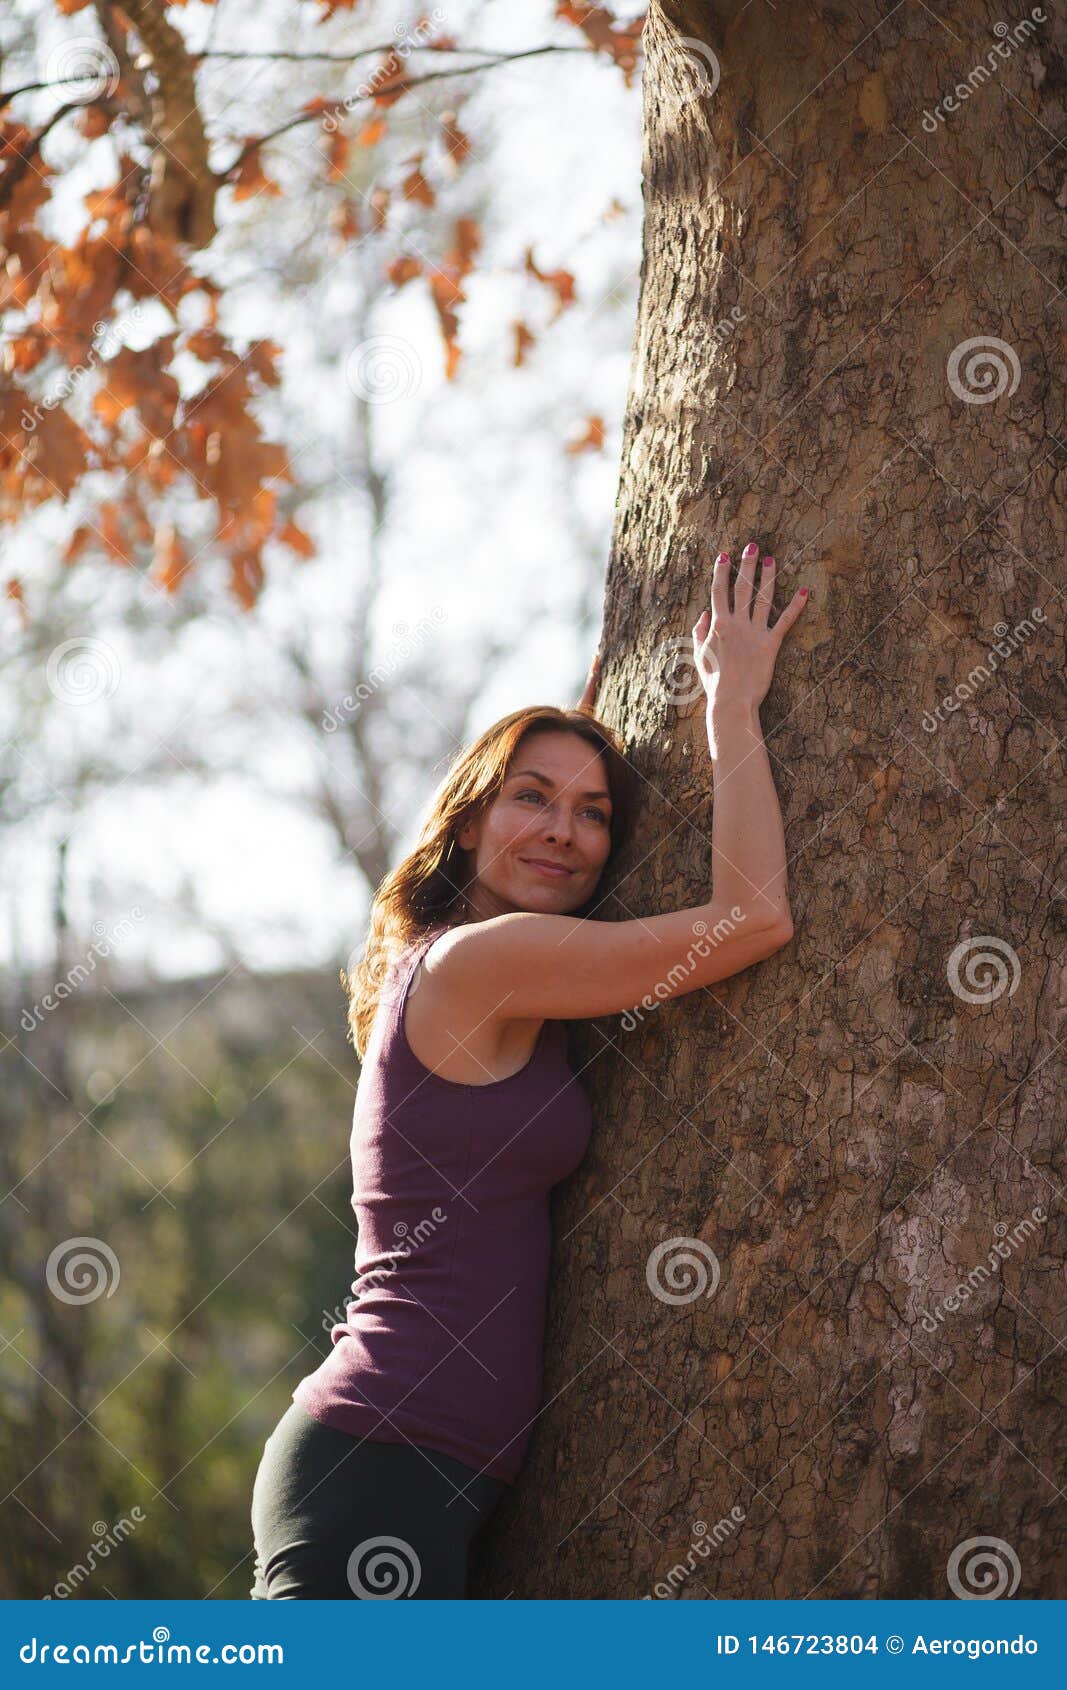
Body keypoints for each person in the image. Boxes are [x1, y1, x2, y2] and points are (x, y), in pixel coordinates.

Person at [248, 542, 808, 1598]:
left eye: (595, 812)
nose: (564, 831)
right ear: (466, 819)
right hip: (382, 1464)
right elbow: (752, 917)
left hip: (424, 1468)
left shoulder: (480, 964)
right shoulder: (481, 963)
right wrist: (732, 710)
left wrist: (592, 699)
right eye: (529, 798)